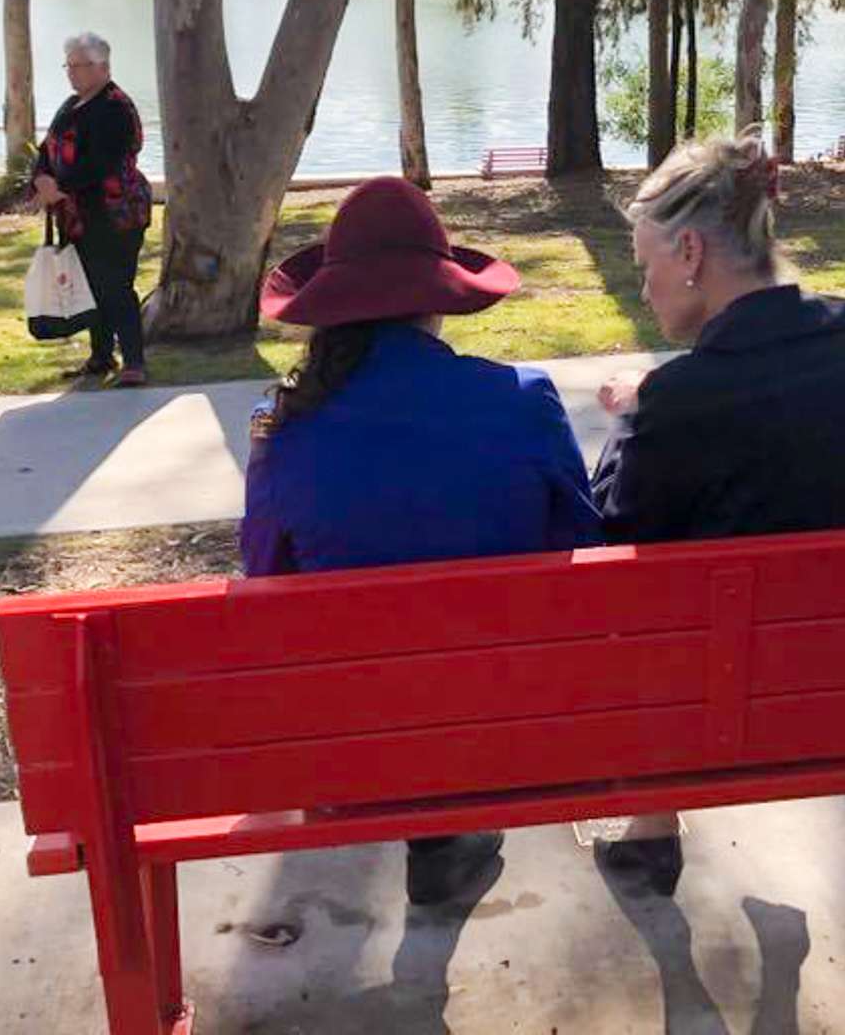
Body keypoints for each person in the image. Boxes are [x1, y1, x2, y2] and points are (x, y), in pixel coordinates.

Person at [242, 175, 601, 905]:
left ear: (331, 312)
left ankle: (436, 835)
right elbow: (580, 547)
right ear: (441, 299)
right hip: (516, 709)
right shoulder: (523, 401)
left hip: (352, 733)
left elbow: (265, 582)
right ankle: (446, 833)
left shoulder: (281, 430)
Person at [589, 127, 845, 896]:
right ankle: (650, 830)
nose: (644, 287)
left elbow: (613, 531)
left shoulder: (683, 401)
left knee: (643, 609)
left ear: (689, 254)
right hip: (836, 690)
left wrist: (634, 414)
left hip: (717, 701)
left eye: (645, 264)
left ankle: (652, 827)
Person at [32, 32, 152, 387]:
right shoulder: (71, 106)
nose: (72, 73)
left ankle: (135, 361)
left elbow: (102, 162)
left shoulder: (116, 107)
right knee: (90, 287)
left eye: (80, 66)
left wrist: (60, 186)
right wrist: (41, 179)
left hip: (116, 215)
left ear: (103, 67)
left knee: (115, 287)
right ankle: (101, 357)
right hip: (77, 216)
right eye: (69, 65)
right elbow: (47, 149)